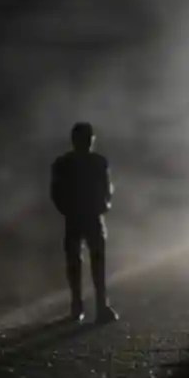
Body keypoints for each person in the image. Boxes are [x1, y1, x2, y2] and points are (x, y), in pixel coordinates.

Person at [50, 122, 119, 323]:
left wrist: (66, 209)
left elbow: (56, 191)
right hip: (90, 215)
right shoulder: (97, 162)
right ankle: (99, 305)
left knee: (76, 261)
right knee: (95, 260)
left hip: (76, 216)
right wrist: (104, 204)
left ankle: (78, 305)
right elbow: (107, 188)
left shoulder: (64, 163)